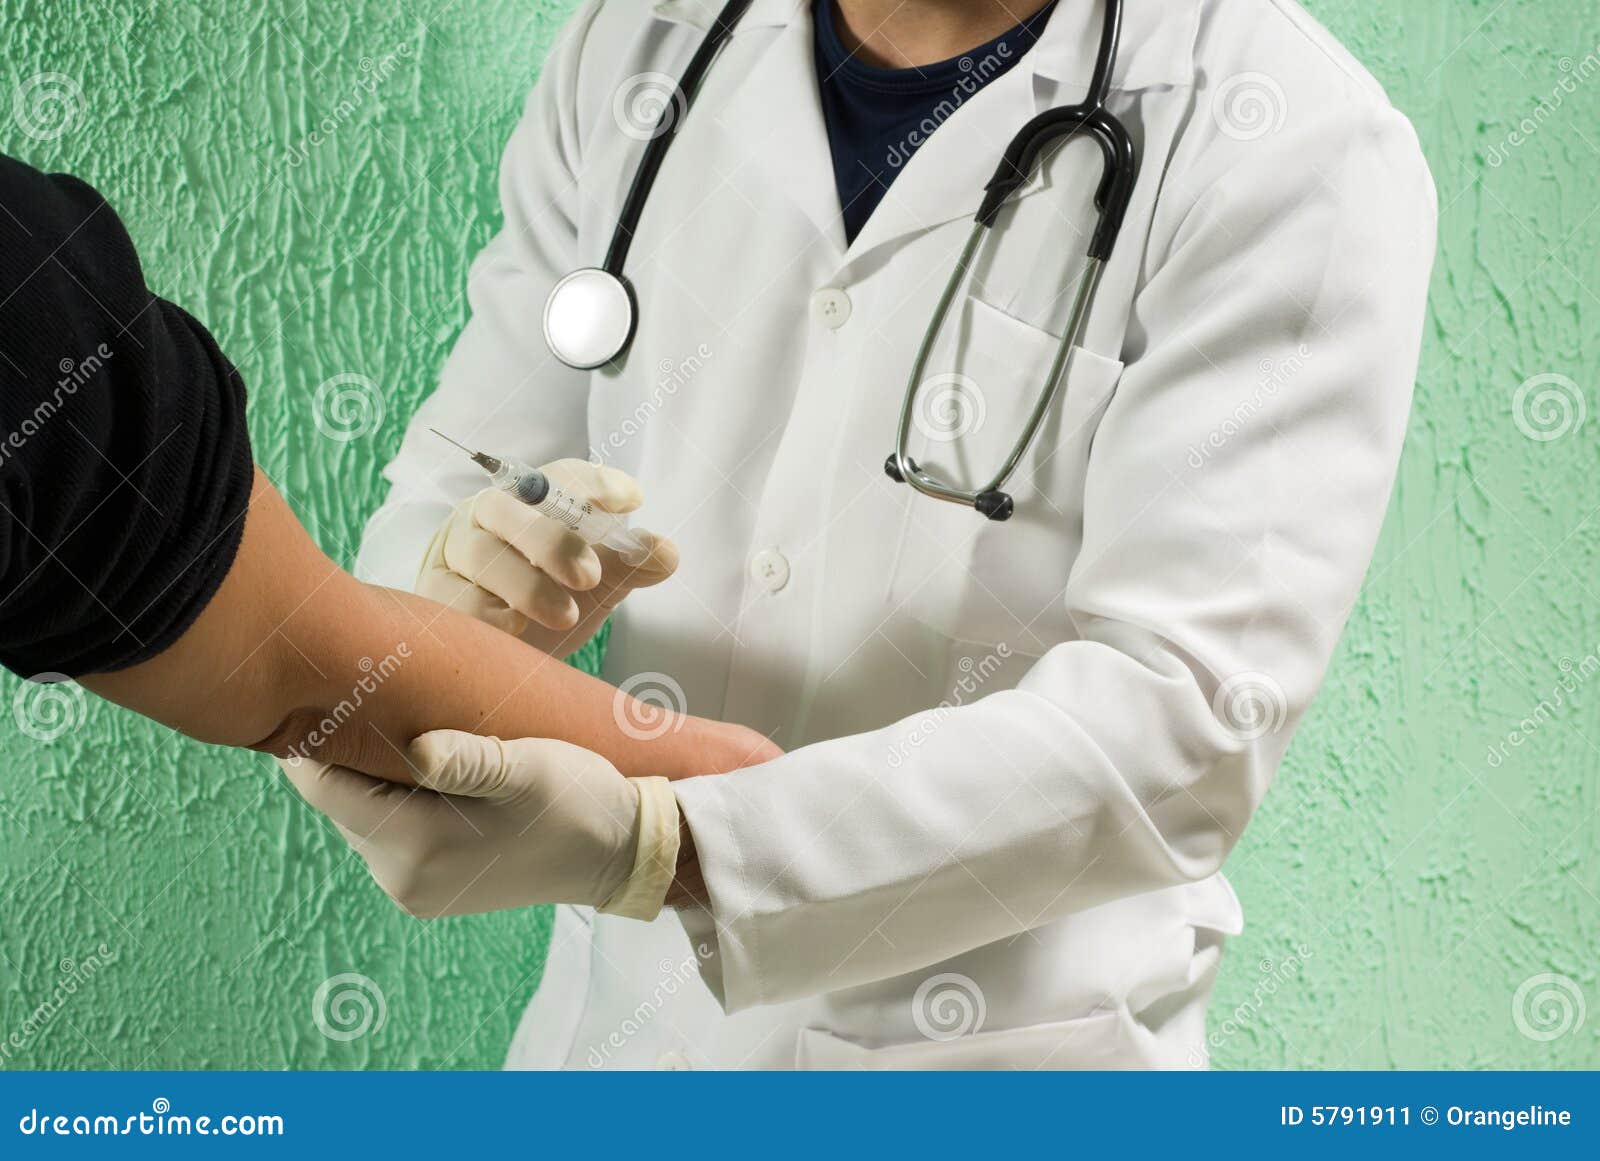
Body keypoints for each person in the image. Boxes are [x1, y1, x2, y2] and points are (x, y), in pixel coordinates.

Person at [291, 0, 1437, 1068]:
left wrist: (665, 848)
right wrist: (447, 619)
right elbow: (466, 471)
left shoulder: (1287, 142)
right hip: (615, 1043)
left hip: (990, 1061)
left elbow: (1182, 722)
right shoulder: (641, 40)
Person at [0, 151, 779, 920]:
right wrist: (443, 588)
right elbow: (301, 658)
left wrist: (695, 838)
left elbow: (298, 663)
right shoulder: (640, 45)